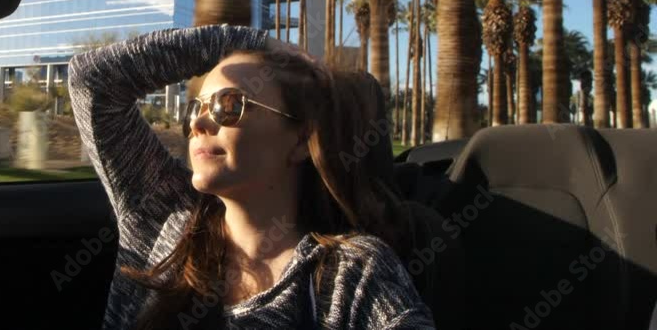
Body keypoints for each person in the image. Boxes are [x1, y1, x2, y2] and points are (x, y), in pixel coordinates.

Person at [67, 24, 436, 329]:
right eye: (195, 108)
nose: (197, 122)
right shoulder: (163, 216)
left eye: (229, 105)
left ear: (301, 140)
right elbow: (91, 80)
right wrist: (258, 42)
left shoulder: (349, 274)